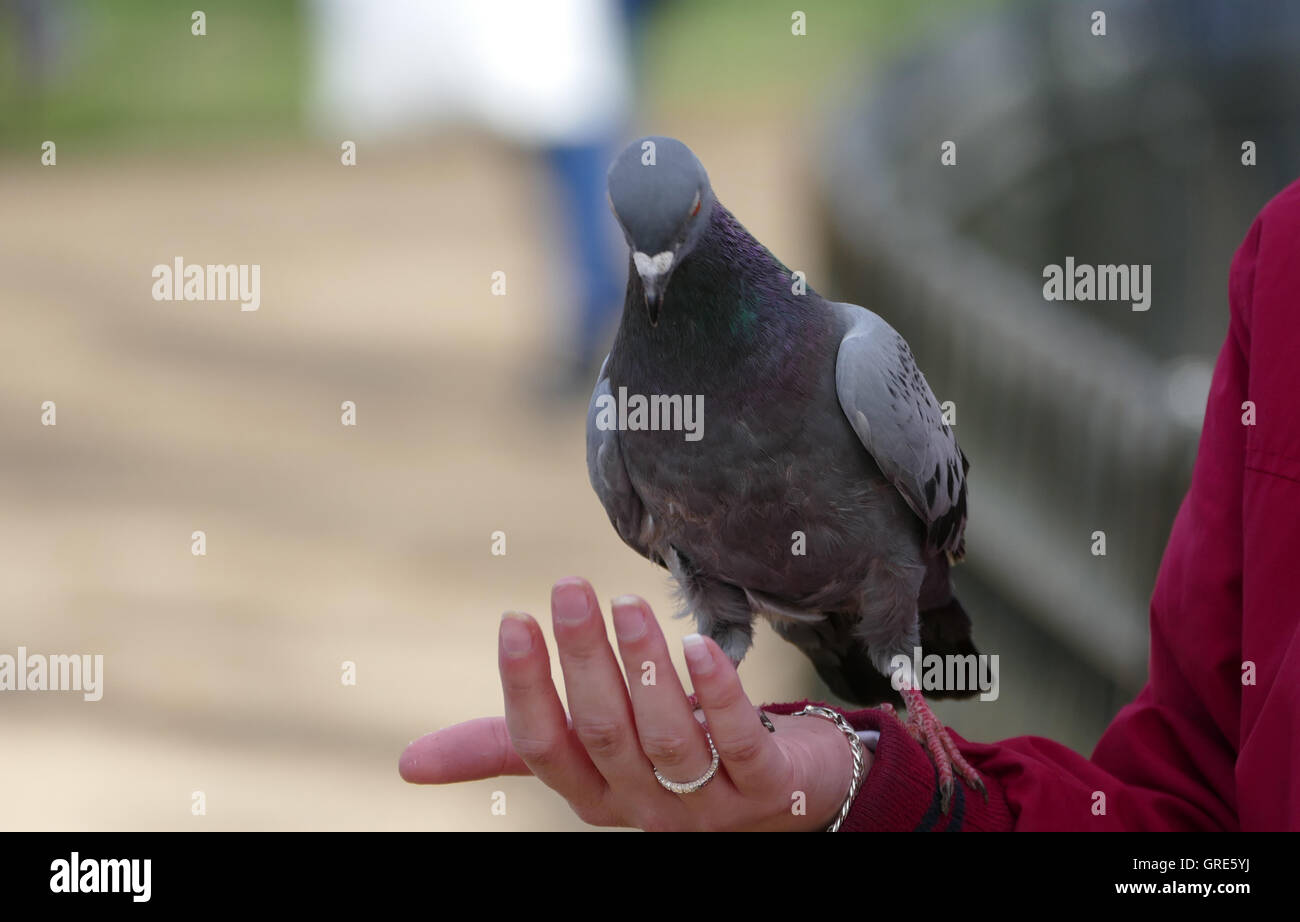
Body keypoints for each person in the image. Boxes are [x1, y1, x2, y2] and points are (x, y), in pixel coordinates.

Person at [398, 179, 1300, 831]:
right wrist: (863, 785)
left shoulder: (854, 357)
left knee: (900, 653)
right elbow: (1191, 836)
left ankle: (903, 683)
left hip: (893, 590)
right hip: (780, 615)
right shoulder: (1282, 265)